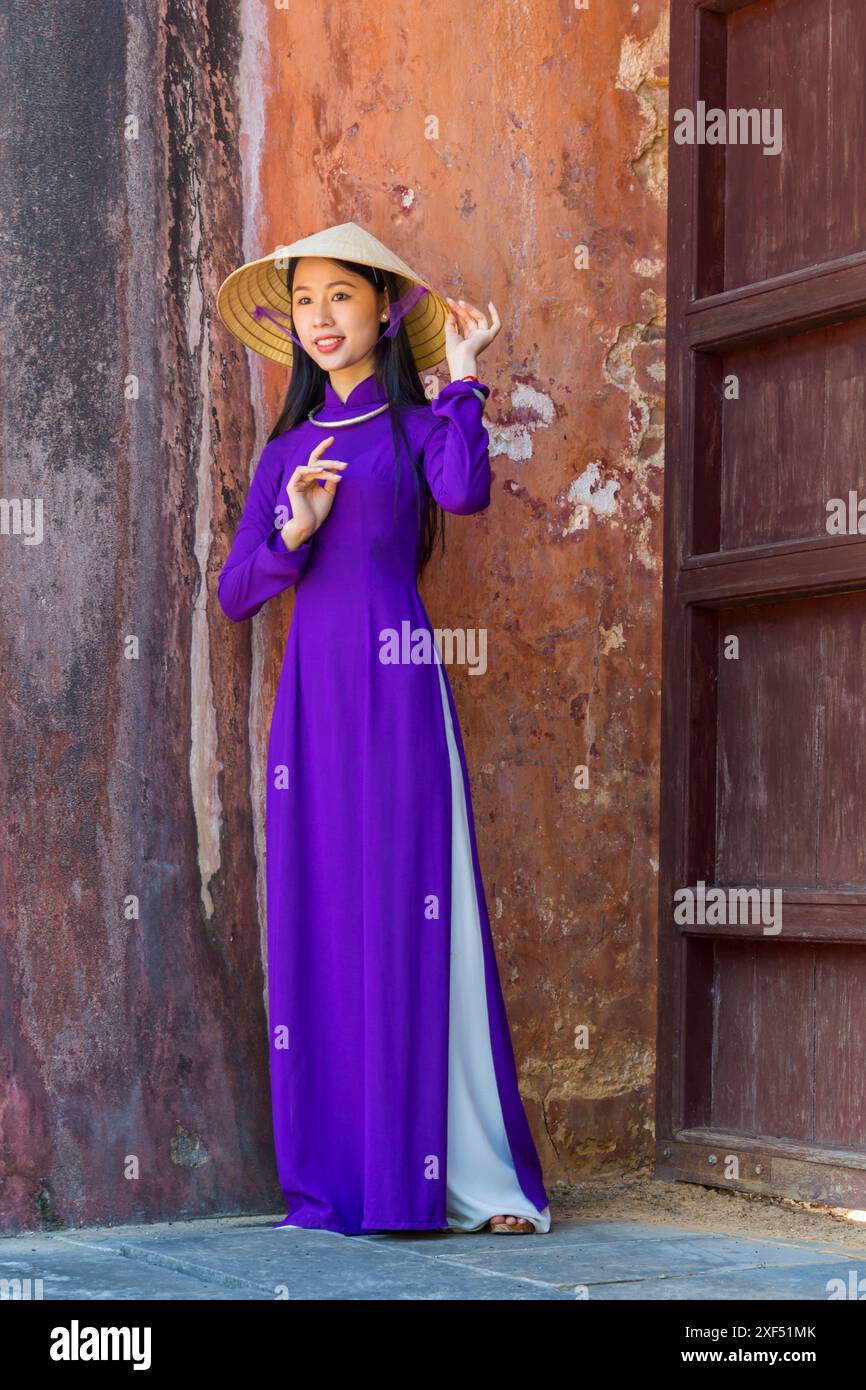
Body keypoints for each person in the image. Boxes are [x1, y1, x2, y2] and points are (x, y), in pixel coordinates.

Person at [215, 221, 551, 1236]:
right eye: (303, 301)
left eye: (340, 299)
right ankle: (346, 1176)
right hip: (313, 705)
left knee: (416, 911)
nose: (319, 320)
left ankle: (470, 1176)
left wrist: (461, 376)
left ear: (384, 311)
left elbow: (464, 490)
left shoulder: (414, 430)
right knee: (326, 919)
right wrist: (292, 534)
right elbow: (237, 593)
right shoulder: (283, 454)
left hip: (398, 690)